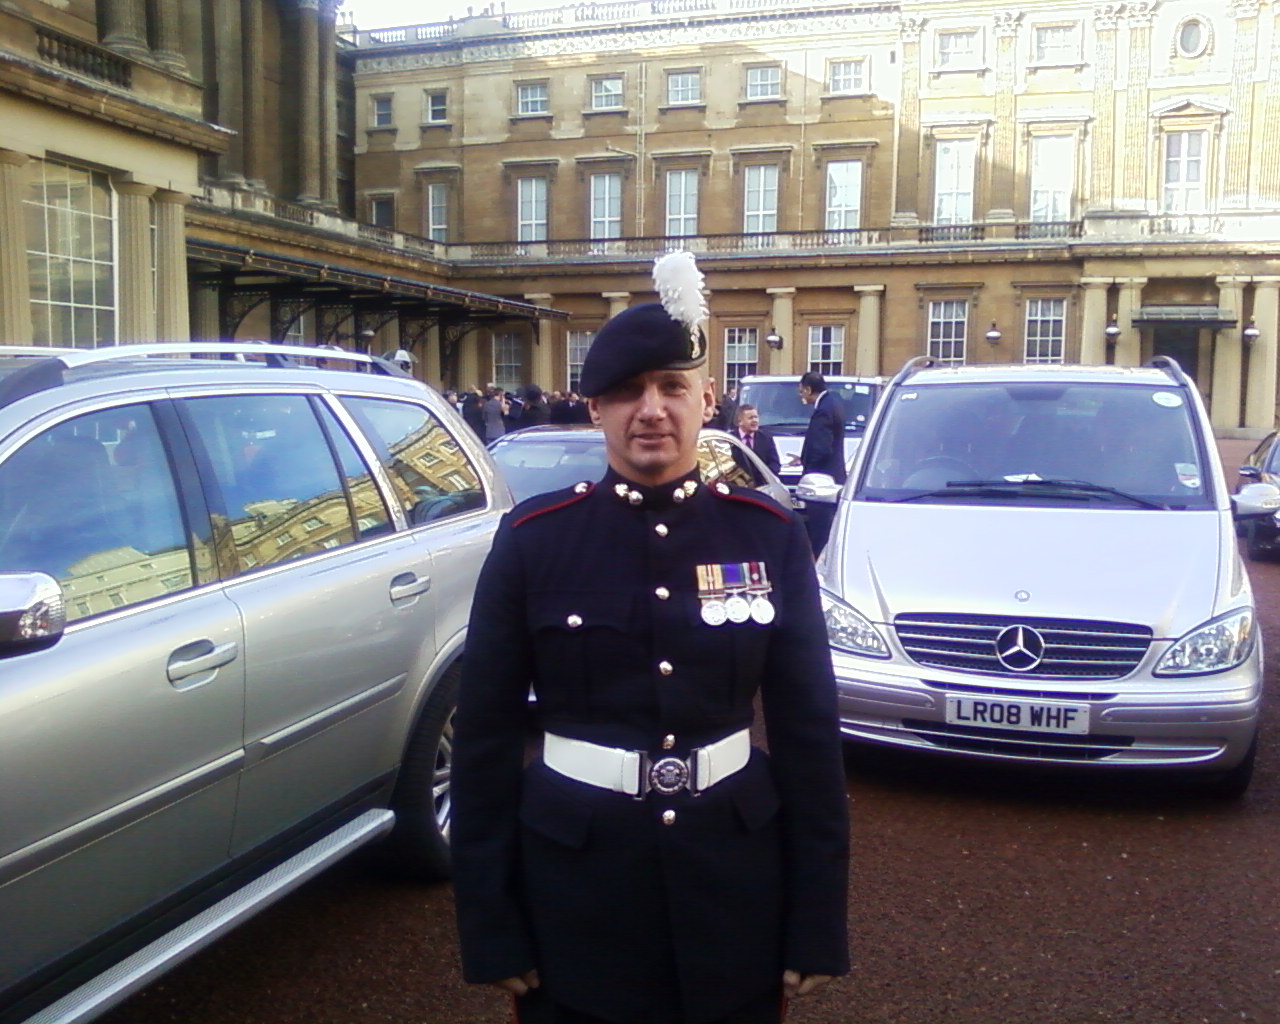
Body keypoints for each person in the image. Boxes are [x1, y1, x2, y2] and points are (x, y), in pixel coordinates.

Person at [452, 252, 850, 1024]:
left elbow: (808, 735)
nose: (651, 410)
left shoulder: (767, 536)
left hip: (733, 883)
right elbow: (486, 743)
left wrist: (817, 921)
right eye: (627, 392)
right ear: (594, 408)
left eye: (671, 387)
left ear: (707, 399)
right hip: (576, 889)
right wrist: (493, 929)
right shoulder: (535, 541)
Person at [790, 372, 845, 555]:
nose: (801, 396)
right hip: (832, 476)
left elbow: (822, 448)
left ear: (808, 389)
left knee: (820, 534)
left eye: (801, 392)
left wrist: (809, 468)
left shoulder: (823, 410)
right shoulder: (831, 403)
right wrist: (802, 456)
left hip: (822, 483)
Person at [732, 403, 781, 476]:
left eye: (756, 417)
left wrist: (765, 477)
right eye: (750, 418)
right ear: (740, 422)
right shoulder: (730, 439)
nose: (755, 420)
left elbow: (775, 464)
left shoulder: (766, 439)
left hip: (763, 484)